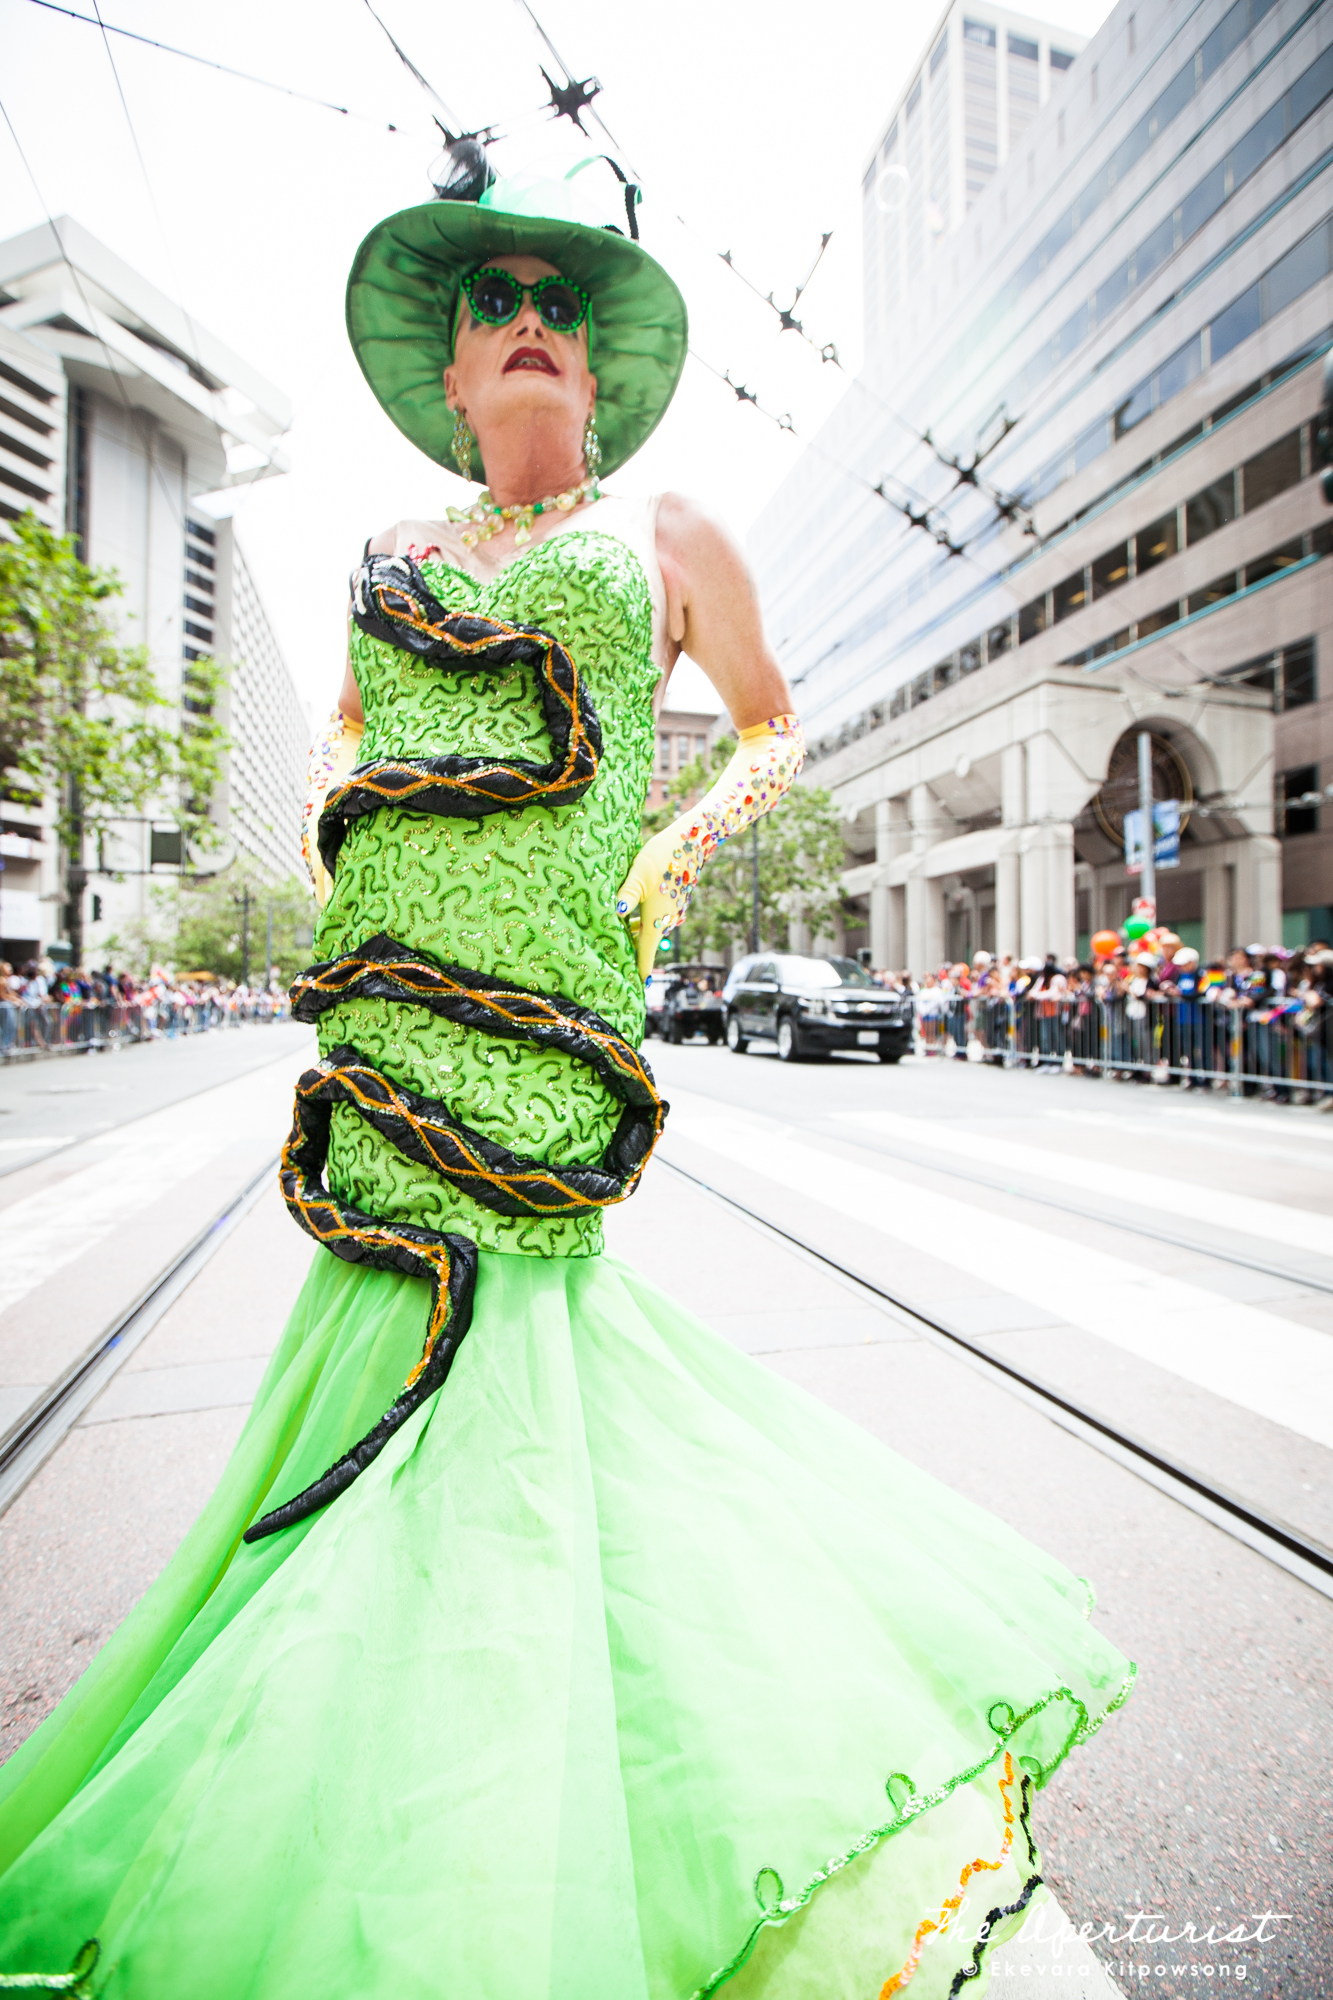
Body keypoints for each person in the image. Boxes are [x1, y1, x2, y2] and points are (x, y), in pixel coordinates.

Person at [0, 161, 1130, 1998]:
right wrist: (337, 853)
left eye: (557, 307)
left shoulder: (673, 530)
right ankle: (408, 1722)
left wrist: (673, 851)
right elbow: (356, 746)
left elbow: (768, 727)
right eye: (491, 304)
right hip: (399, 1012)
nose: (529, 318)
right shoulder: (385, 552)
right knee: (385, 1341)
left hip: (550, 1005)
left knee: (524, 1329)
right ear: (451, 376)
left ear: (591, 380)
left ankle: (499, 1761)